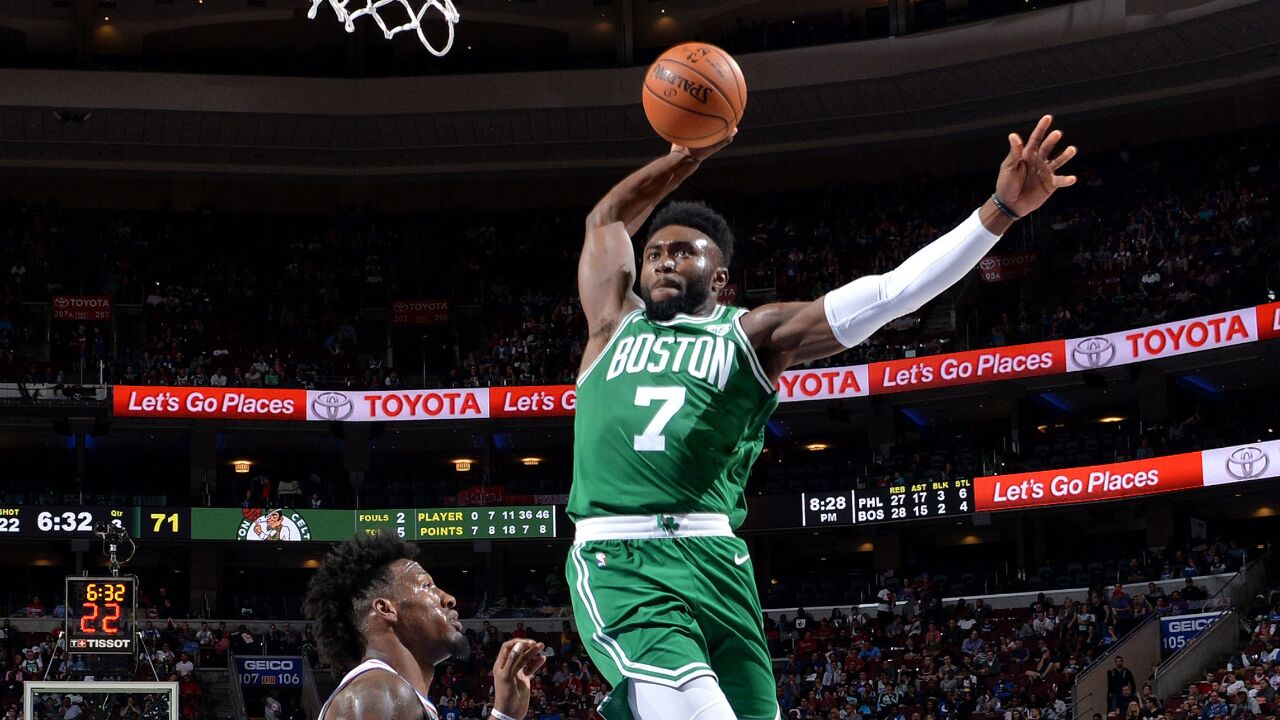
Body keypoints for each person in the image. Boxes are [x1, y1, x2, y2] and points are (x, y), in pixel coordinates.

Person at [567, 115, 1077, 720]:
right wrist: (685, 157)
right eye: (653, 253)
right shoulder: (611, 326)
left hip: (716, 558)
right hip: (622, 555)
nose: (662, 262)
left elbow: (891, 294)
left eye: (682, 251)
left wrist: (1000, 211)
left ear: (720, 278)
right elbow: (606, 222)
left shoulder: (755, 334)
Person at [305, 534, 545, 720]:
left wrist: (504, 713)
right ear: (386, 609)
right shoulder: (377, 692)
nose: (449, 598)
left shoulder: (392, 694)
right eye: (427, 586)